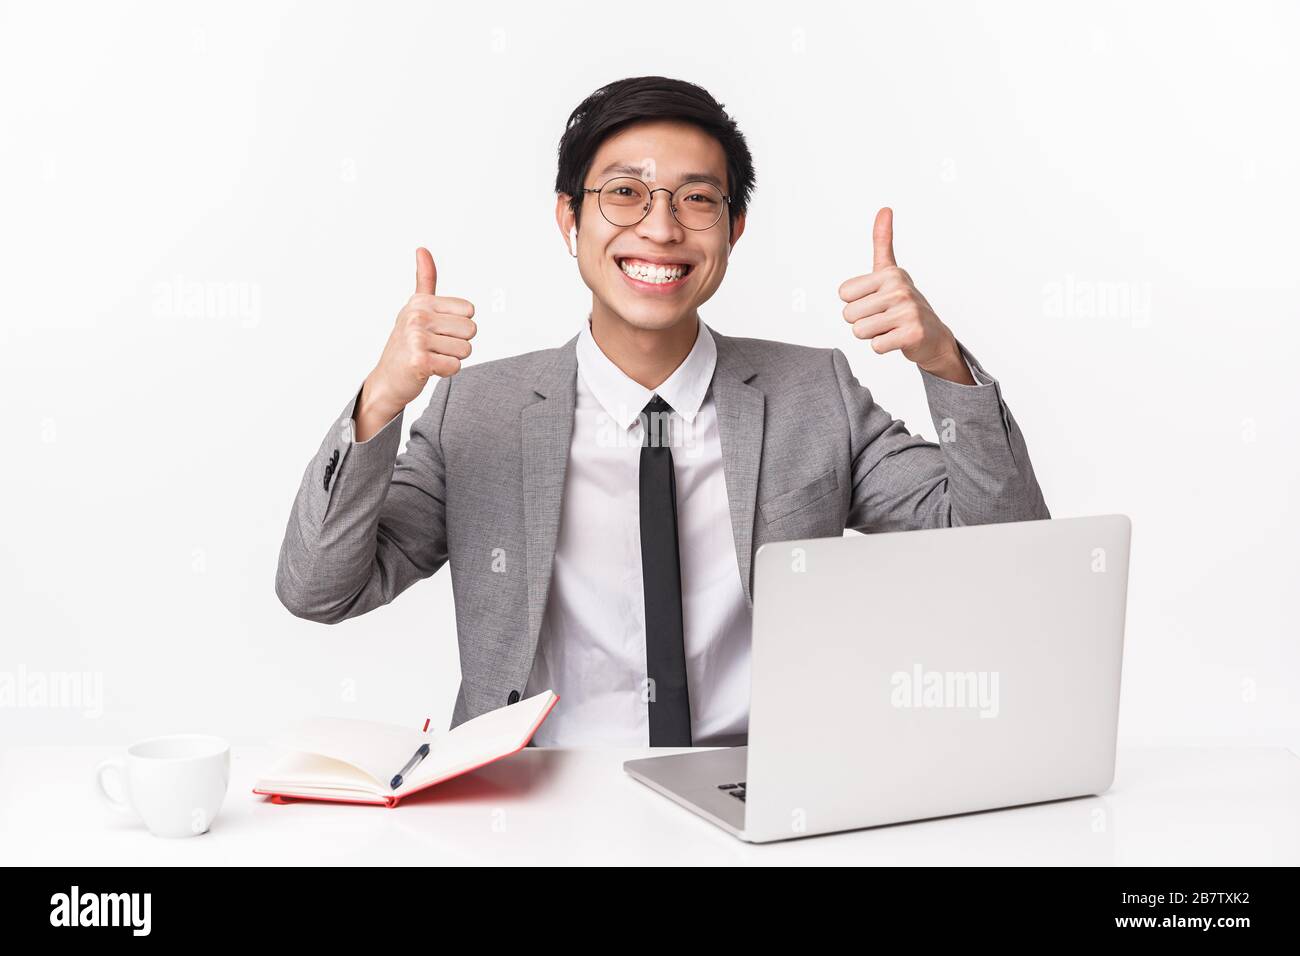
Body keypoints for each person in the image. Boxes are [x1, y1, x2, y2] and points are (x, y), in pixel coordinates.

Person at [275, 76, 1049, 747]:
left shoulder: (816, 394)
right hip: (531, 802)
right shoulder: (476, 410)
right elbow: (320, 591)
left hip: (758, 797)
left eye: (696, 199)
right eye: (624, 193)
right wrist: (381, 401)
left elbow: (1007, 555)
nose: (661, 226)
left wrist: (942, 361)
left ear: (734, 229)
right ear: (568, 219)